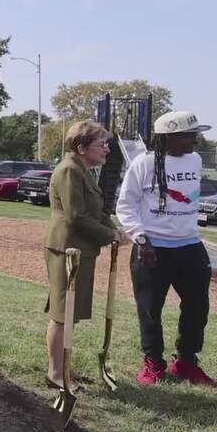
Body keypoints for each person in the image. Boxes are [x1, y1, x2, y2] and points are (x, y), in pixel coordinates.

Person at [116, 110, 217, 387]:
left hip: (190, 245)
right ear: (168, 137)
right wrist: (142, 239)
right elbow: (125, 205)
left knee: (198, 307)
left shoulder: (195, 160)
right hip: (152, 248)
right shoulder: (144, 163)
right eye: (189, 135)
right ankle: (153, 363)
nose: (195, 141)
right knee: (150, 309)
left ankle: (186, 362)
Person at [43, 120, 126, 389]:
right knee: (62, 313)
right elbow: (76, 216)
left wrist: (114, 230)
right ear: (81, 147)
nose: (107, 149)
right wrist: (108, 235)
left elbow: (97, 212)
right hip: (66, 251)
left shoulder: (84, 171)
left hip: (81, 250)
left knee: (71, 313)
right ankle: (56, 374)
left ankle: (65, 366)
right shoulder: (69, 170)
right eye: (102, 144)